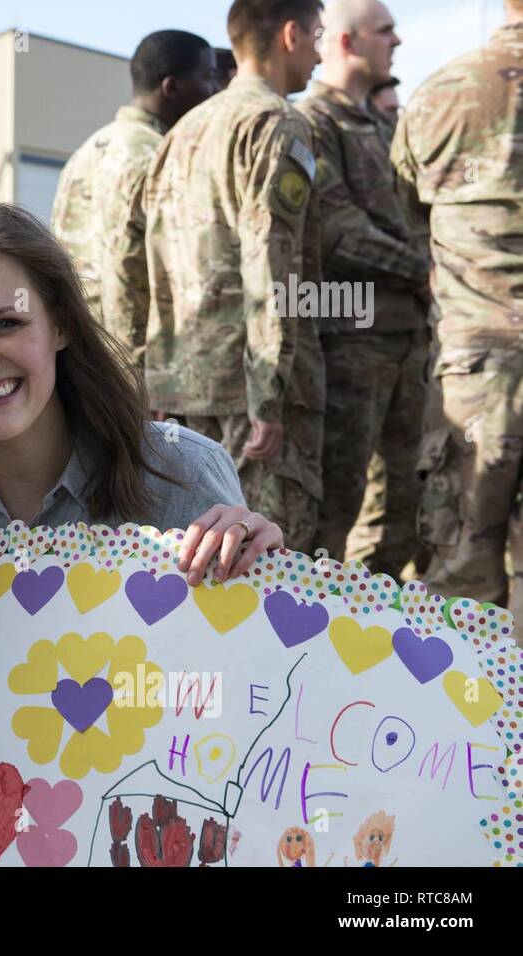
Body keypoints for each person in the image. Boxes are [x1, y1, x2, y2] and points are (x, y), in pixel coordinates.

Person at [0, 201, 288, 803]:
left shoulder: (181, 475)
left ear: (60, 323)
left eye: (6, 324)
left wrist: (267, 587)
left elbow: (243, 697)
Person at [142, 0, 326, 552]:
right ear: (290, 35)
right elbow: (271, 263)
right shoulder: (278, 122)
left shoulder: (180, 132)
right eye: (317, 35)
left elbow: (143, 260)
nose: (319, 52)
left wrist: (150, 378)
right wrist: (268, 396)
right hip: (249, 393)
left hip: (180, 390)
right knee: (265, 568)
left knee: (187, 562)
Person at [395, 0, 523, 623]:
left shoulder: (439, 92)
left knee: (462, 578)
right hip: (473, 360)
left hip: (473, 368)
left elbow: (408, 210)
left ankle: (466, 720)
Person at [298, 0, 429, 579]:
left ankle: (375, 640)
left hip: (408, 337)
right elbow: (336, 232)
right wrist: (426, 269)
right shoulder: (312, 121)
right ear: (349, 42)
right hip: (352, 344)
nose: (396, 41)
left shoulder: (381, 124)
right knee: (334, 509)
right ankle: (307, 641)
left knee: (405, 503)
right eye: (385, 32)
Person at [51, 30, 219, 362]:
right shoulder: (160, 158)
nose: (215, 92)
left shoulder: (86, 152)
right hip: (132, 358)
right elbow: (125, 268)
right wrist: (136, 367)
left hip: (82, 349)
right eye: (208, 78)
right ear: (171, 88)